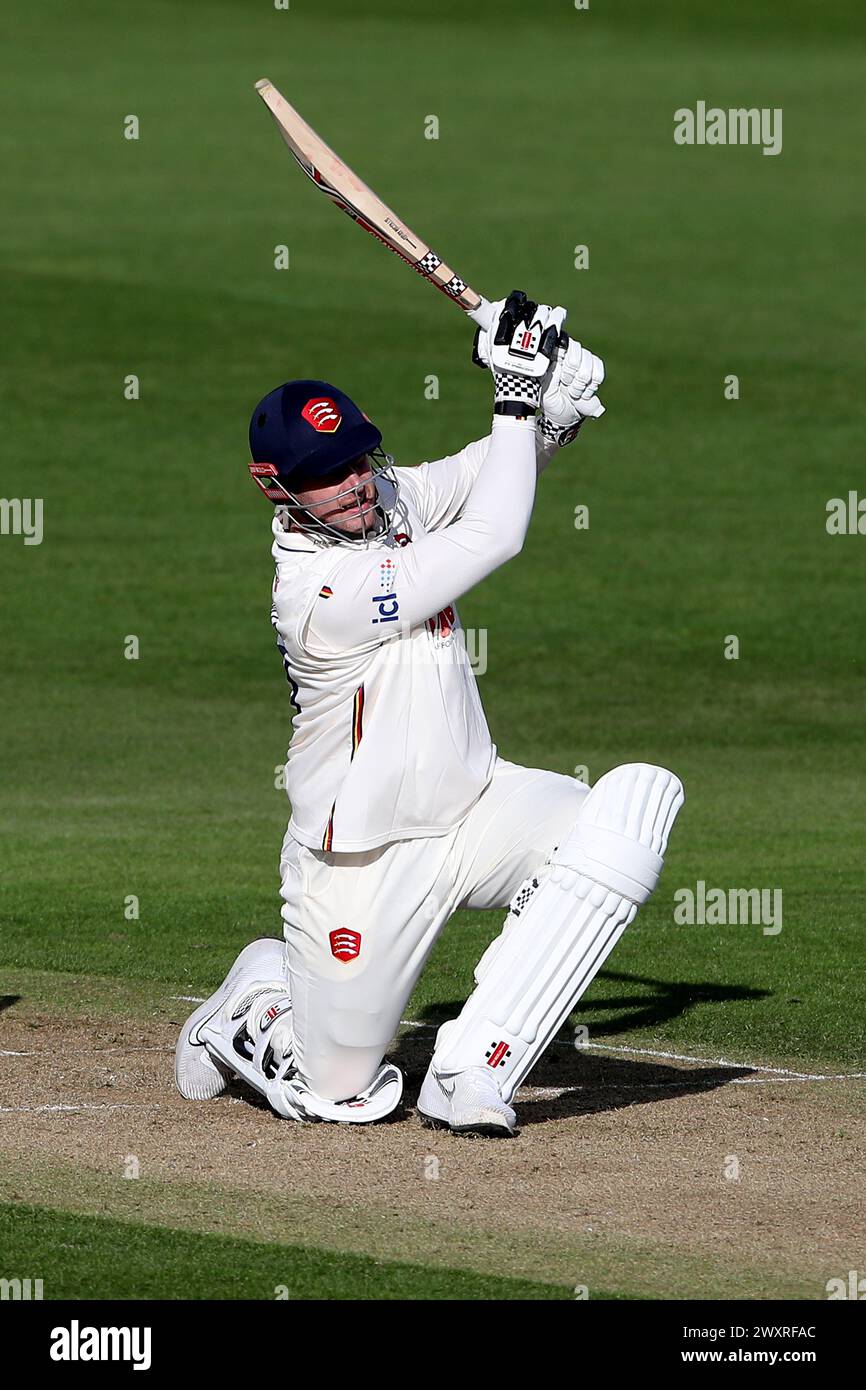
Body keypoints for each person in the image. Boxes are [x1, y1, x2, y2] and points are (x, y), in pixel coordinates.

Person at [175, 291, 684, 1136]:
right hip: (364, 859)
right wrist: (514, 396)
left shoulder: (389, 496)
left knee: (627, 815)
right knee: (339, 1093)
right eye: (326, 478)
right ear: (275, 489)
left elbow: (484, 474)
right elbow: (494, 534)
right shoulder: (319, 595)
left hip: (477, 807)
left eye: (359, 461)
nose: (353, 487)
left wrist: (549, 417)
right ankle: (258, 1005)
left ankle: (472, 1068)